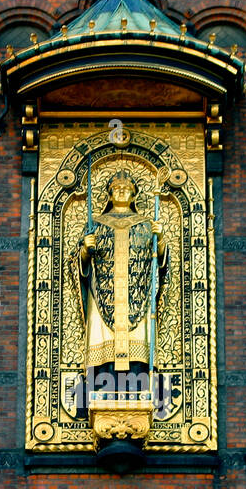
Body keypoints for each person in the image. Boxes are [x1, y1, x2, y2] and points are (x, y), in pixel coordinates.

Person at [72, 170, 168, 405]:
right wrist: (86, 249)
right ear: (110, 194)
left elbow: (160, 264)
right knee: (101, 337)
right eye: (117, 188)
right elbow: (80, 265)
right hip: (103, 294)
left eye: (127, 188)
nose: (122, 191)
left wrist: (161, 240)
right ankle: (100, 389)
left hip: (138, 294)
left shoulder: (146, 225)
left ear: (134, 195)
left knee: (139, 339)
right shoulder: (96, 225)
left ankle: (139, 388)